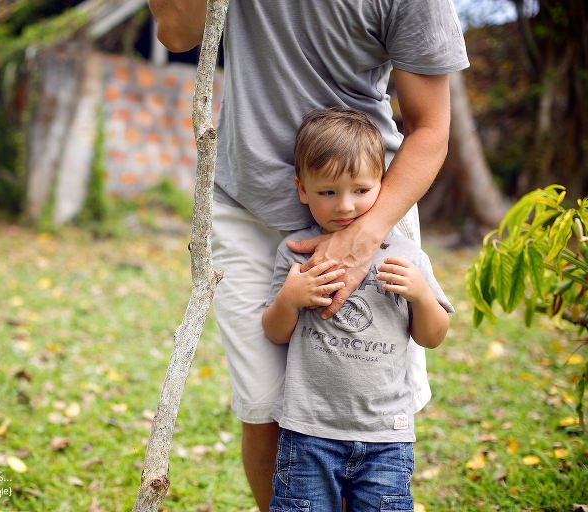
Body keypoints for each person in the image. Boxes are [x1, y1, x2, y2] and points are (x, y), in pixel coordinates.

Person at [147, 1, 469, 509]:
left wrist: (365, 236)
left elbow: (430, 127)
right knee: (263, 405)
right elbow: (176, 34)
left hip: (372, 203)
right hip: (247, 205)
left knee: (376, 401)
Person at [262, 107, 453, 511]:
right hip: (308, 432)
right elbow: (275, 332)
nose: (345, 206)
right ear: (302, 189)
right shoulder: (297, 255)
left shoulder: (406, 257)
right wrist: (290, 299)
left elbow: (433, 337)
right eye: (328, 193)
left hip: (386, 436)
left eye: (361, 190)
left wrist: (421, 295)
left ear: (383, 183)